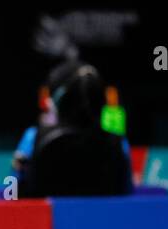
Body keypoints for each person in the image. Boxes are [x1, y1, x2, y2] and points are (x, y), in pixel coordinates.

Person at [17, 63, 132, 197]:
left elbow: (13, 193)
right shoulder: (119, 144)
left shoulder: (33, 138)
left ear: (57, 100)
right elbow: (126, 195)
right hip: (104, 217)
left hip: (47, 217)